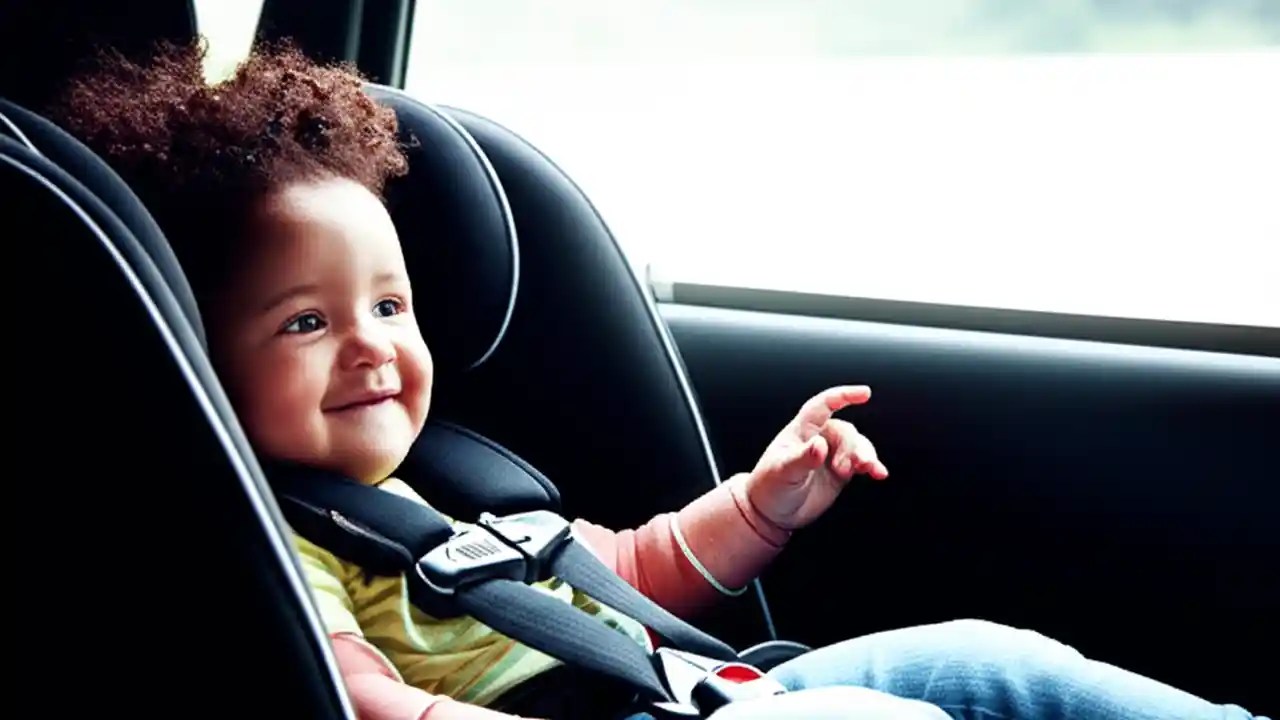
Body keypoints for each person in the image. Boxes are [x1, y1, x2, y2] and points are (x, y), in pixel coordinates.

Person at [47, 39, 1269, 720]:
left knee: (983, 659)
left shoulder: (442, 490)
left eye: (388, 305)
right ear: (190, 356)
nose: (371, 344)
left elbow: (618, 571)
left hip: (687, 687)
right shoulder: (262, 552)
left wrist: (755, 508)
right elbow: (368, 706)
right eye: (307, 321)